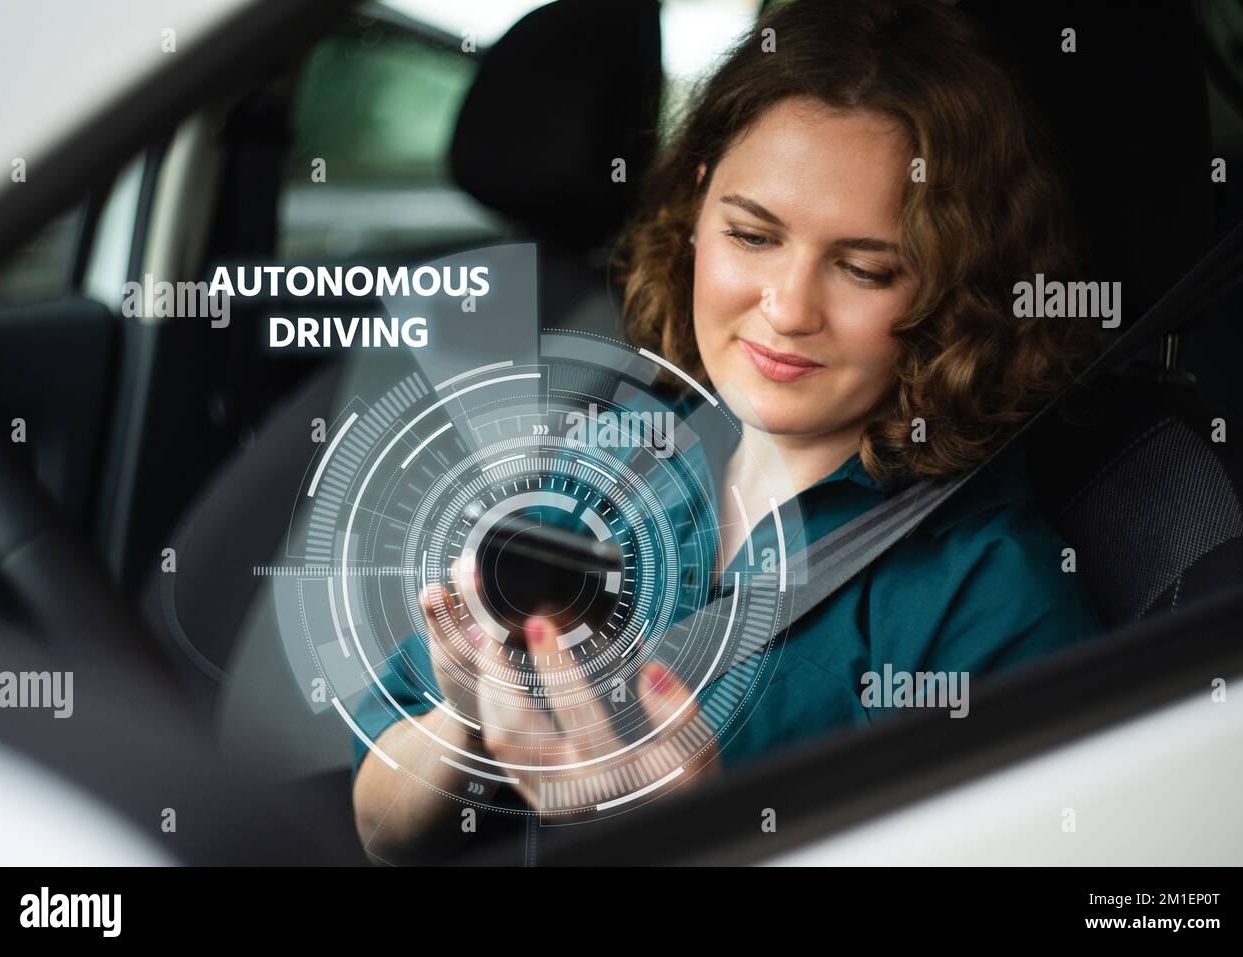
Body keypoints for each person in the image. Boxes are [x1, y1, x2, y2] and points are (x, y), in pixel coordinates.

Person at [351, 0, 1102, 860]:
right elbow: (380, 827)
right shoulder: (622, 442)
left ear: (957, 287)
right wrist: (469, 719)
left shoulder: (991, 597)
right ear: (697, 207)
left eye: (864, 267)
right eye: (752, 234)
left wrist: (704, 827)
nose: (785, 309)